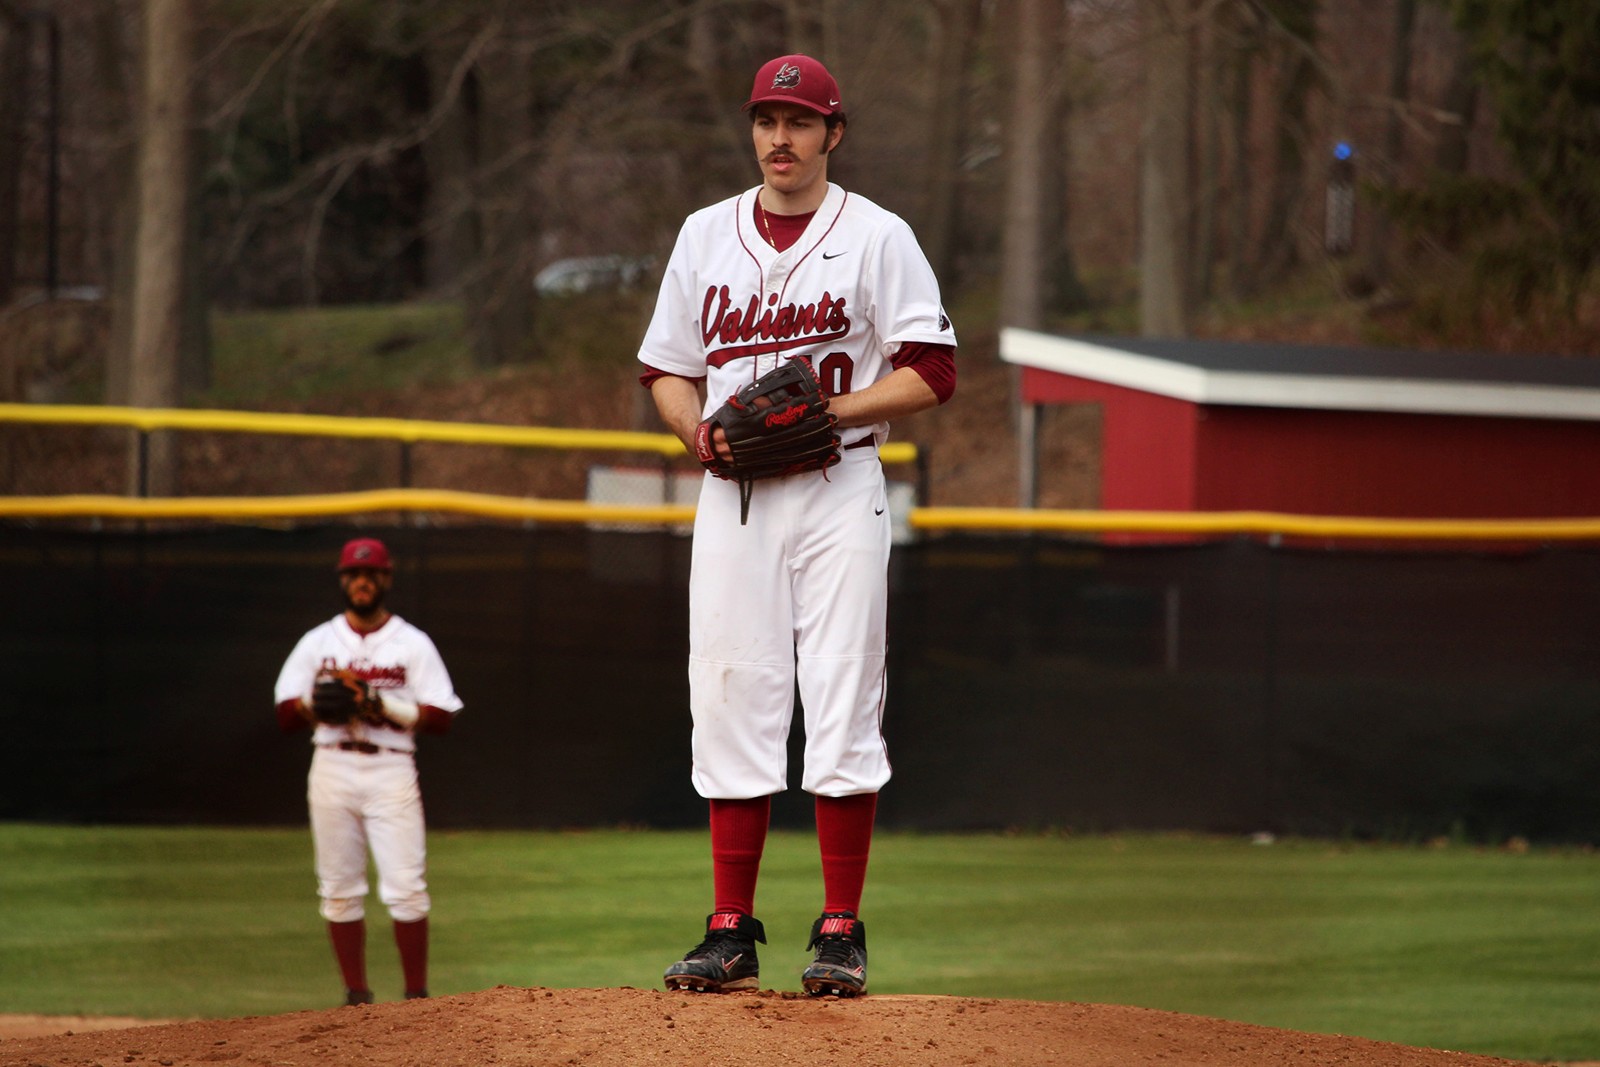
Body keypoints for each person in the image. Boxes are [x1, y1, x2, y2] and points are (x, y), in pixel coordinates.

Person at [637, 53, 957, 997]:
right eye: (767, 120)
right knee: (732, 691)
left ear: (833, 133)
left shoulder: (879, 237)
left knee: (843, 690)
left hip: (837, 485)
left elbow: (931, 371)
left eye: (800, 121)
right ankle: (730, 925)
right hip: (735, 495)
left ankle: (841, 926)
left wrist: (833, 414)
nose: (781, 137)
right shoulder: (705, 234)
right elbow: (664, 366)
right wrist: (696, 427)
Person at [272, 537, 463, 1006]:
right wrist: (315, 703)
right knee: (338, 889)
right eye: (354, 575)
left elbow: (441, 716)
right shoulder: (318, 641)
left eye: (371, 574)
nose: (362, 582)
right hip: (332, 765)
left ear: (386, 579)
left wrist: (379, 703)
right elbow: (284, 713)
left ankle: (417, 997)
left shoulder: (411, 642)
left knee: (407, 888)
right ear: (342, 580)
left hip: (391, 769)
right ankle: (356, 996)